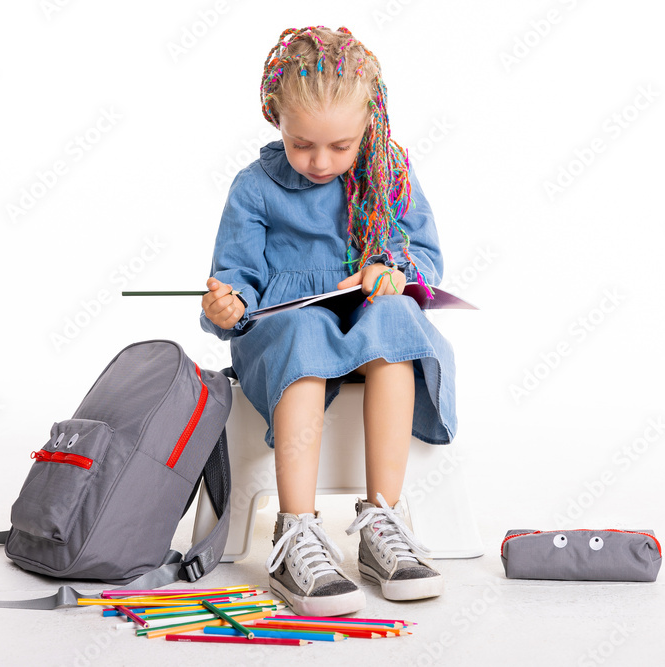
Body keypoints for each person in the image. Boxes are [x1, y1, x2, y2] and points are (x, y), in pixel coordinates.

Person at [200, 25, 457, 617]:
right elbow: (234, 278)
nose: (321, 162)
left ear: (370, 122)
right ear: (277, 123)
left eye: (340, 147)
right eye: (302, 145)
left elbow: (425, 259)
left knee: (393, 319)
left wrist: (393, 271)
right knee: (307, 328)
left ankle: (381, 523)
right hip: (283, 332)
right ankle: (296, 532)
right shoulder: (255, 188)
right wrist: (226, 304)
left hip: (365, 328)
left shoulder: (387, 174)